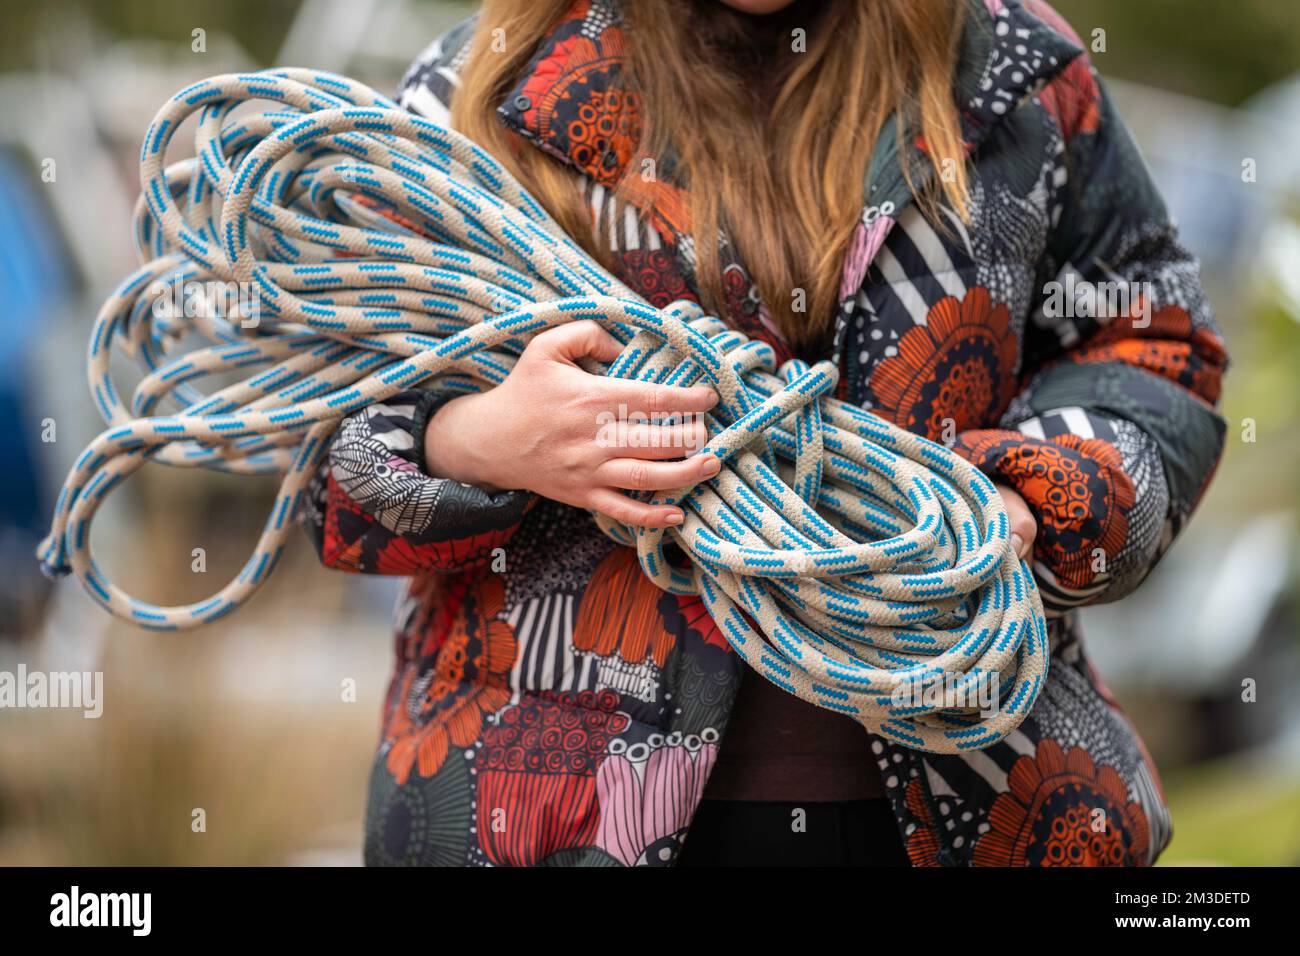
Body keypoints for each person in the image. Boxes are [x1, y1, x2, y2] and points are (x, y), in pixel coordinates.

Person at [300, 0, 1228, 867]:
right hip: (539, 823)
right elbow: (319, 449)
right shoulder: (469, 95)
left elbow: (1152, 341)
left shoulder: (1011, 66)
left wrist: (1037, 497)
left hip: (988, 801)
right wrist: (477, 441)